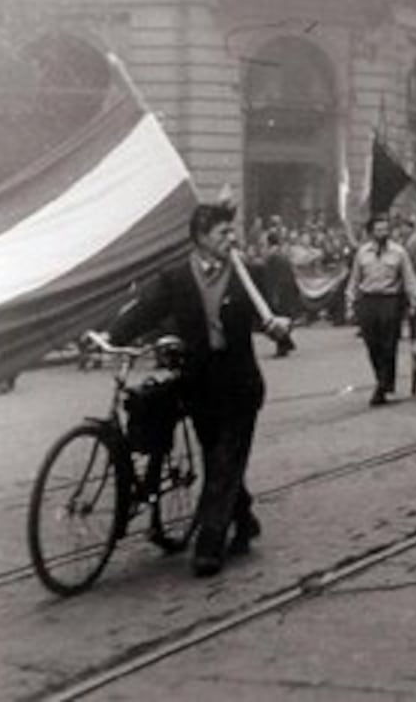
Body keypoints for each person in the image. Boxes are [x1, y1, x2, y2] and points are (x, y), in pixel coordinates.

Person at [102, 203, 291, 577]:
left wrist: (278, 325)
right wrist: (112, 335)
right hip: (200, 384)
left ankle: (209, 544)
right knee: (218, 458)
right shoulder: (176, 278)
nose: (232, 238)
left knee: (224, 460)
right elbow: (145, 310)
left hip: (240, 383)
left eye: (231, 231)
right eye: (223, 233)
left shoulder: (247, 274)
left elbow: (268, 313)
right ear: (201, 237)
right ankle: (243, 515)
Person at [346, 213, 416, 405]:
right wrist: (350, 304)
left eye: (385, 229)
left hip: (390, 301)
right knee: (372, 345)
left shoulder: (399, 252)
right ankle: (383, 379)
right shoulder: (362, 253)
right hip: (368, 301)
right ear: (371, 232)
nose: (383, 233)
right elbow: (354, 281)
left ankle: (382, 384)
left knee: (389, 344)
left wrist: (415, 302)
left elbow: (409, 279)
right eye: (379, 230)